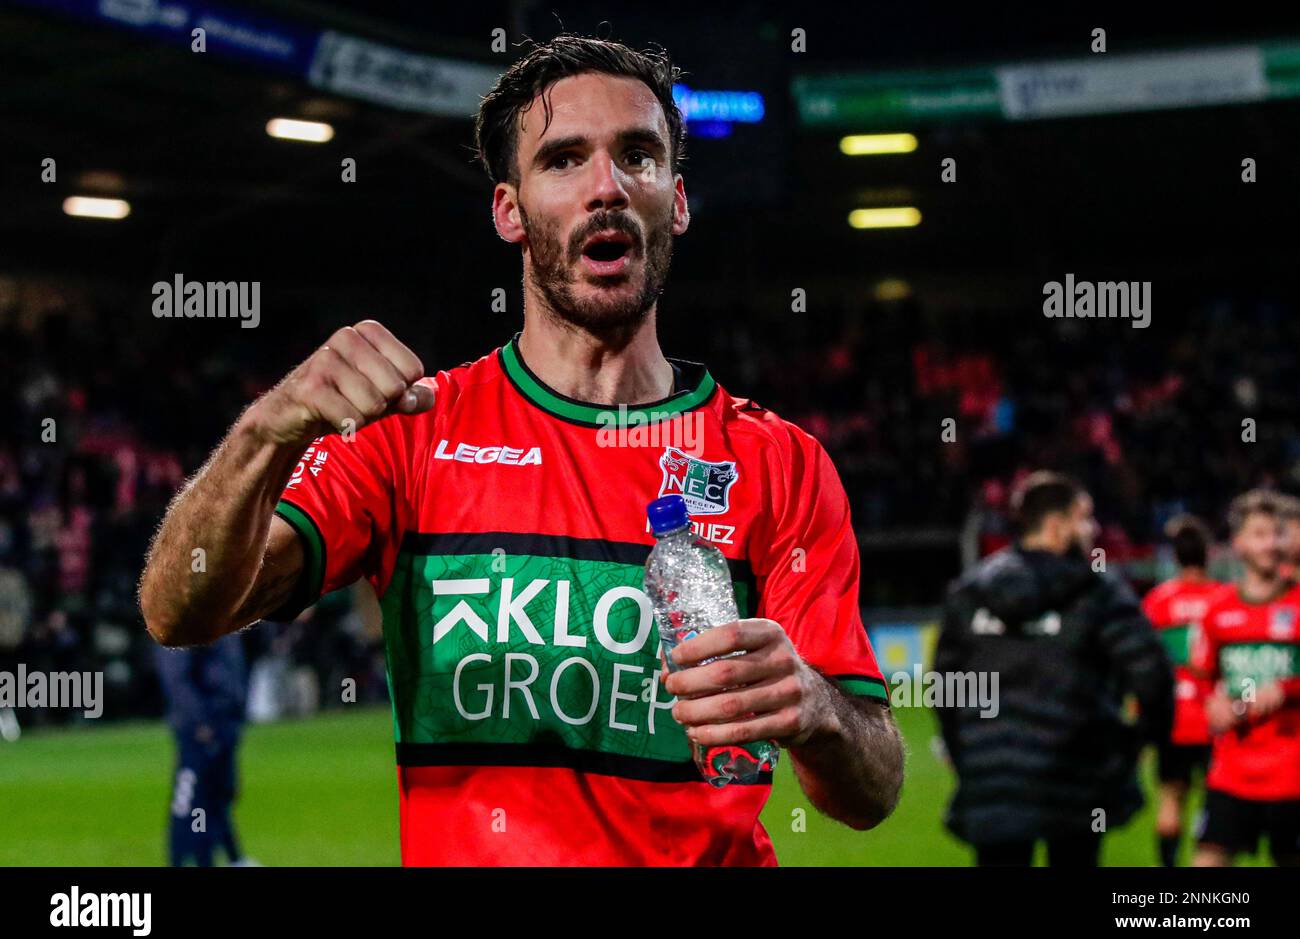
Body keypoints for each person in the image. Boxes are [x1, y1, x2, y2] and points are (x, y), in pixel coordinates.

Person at [138, 34, 904, 866]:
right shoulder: (413, 433)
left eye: (638, 157)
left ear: (676, 200)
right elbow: (181, 611)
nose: (606, 187)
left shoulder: (778, 463)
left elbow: (871, 791)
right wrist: (267, 429)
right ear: (510, 210)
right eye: (565, 160)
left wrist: (816, 710)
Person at [933, 470, 1173, 866]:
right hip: (1077, 779)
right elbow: (1152, 677)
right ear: (1057, 526)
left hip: (995, 779)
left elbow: (947, 690)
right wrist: (1132, 746)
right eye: (1085, 517)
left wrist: (971, 757)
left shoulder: (971, 593)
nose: (1093, 529)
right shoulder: (1097, 592)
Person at [1191, 490, 1300, 867]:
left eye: (1277, 533)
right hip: (1232, 774)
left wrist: (1286, 688)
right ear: (1238, 543)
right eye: (1259, 534)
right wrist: (1212, 703)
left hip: (1293, 774)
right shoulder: (1217, 611)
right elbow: (1204, 677)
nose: (1270, 544)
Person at [1140, 515, 1223, 866]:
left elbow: (1143, 664)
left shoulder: (1158, 601)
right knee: (1216, 800)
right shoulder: (1222, 599)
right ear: (1209, 554)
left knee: (1171, 799)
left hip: (1171, 716)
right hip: (1212, 716)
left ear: (1174, 556)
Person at [154, 633, 250, 866]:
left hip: (225, 721)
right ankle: (190, 859)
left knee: (220, 795)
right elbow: (177, 678)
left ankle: (232, 857)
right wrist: (199, 722)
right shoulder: (185, 620)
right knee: (193, 800)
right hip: (203, 725)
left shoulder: (220, 618)